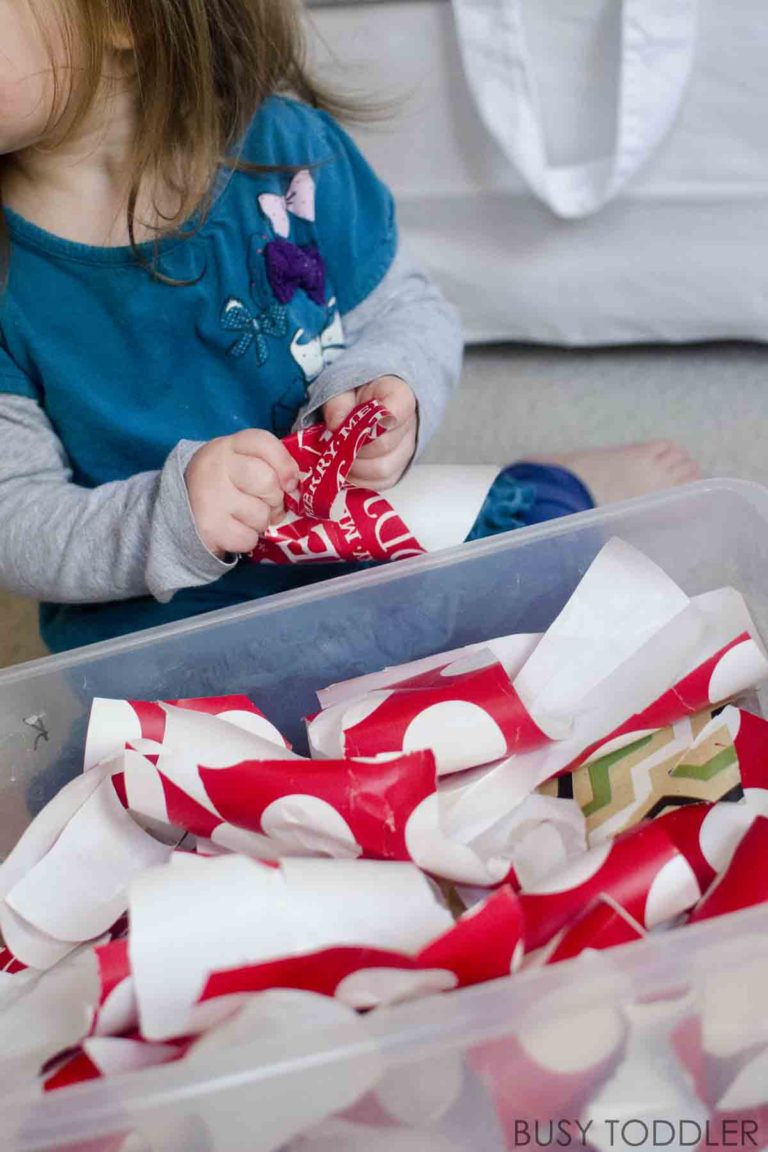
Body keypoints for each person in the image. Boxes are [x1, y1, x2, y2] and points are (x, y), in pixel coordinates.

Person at [0, 0, 701, 654]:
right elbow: (17, 514)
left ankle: (546, 486)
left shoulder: (290, 154)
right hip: (167, 628)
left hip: (366, 554)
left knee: (559, 611)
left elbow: (409, 313)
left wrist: (386, 386)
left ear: (125, 17)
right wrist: (168, 518)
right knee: (104, 780)